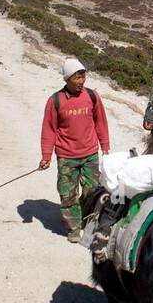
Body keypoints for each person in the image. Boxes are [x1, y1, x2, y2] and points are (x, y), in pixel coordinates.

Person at [39, 58, 111, 242]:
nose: (80, 81)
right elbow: (49, 129)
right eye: (76, 78)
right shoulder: (55, 101)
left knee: (92, 192)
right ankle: (73, 230)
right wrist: (46, 156)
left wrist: (105, 147)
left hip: (90, 155)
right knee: (68, 194)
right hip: (66, 157)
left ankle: (87, 223)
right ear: (66, 79)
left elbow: (101, 123)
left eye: (83, 76)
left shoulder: (92, 96)